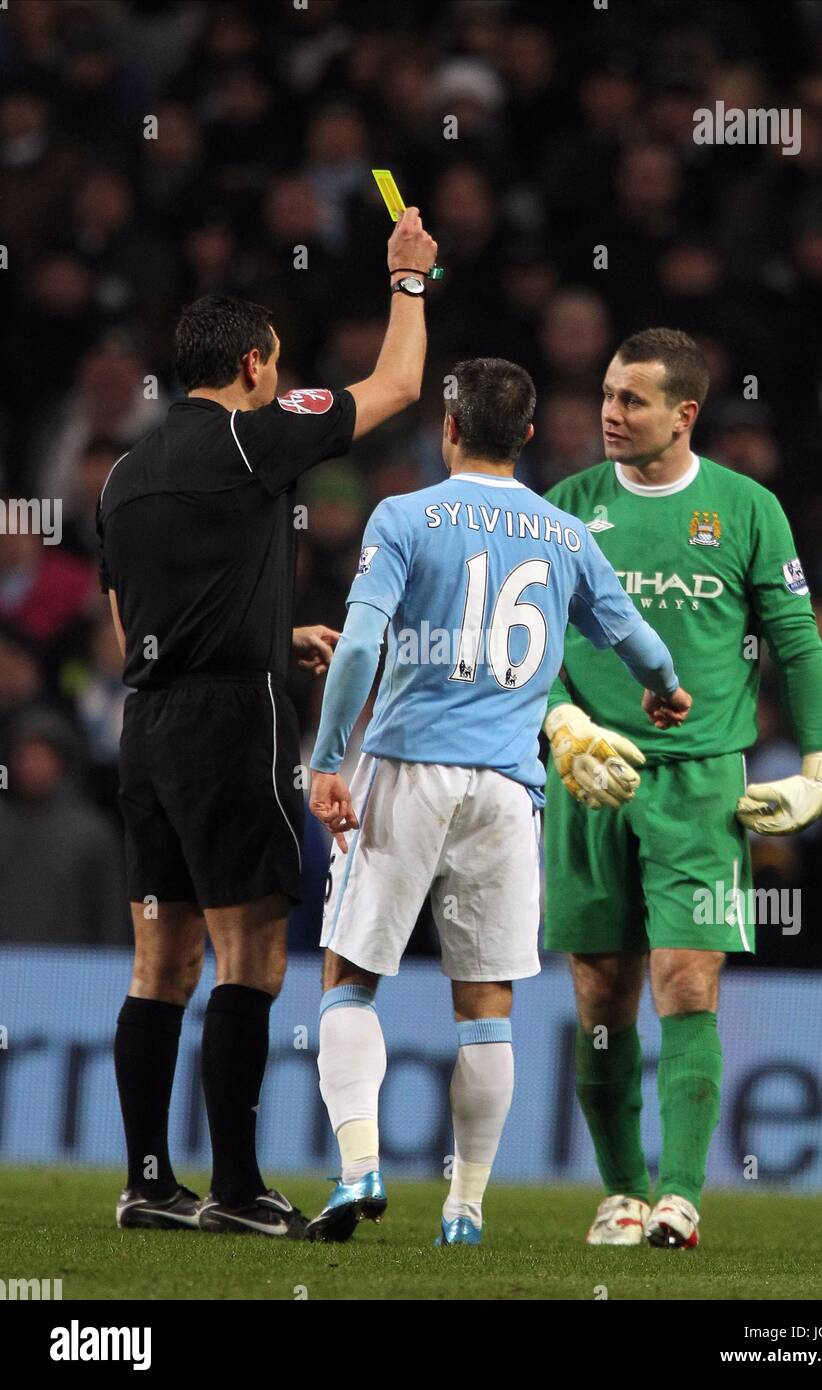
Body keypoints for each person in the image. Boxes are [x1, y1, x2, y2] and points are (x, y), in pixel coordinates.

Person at [97, 206, 439, 1238]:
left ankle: (148, 1181)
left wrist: (264, 631)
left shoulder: (122, 474)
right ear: (254, 366)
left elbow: (129, 628)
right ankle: (238, 1191)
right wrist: (408, 279)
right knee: (250, 958)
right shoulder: (256, 433)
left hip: (146, 724)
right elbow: (397, 386)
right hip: (230, 725)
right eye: (275, 361)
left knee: (159, 962)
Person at [306, 357, 691, 1246]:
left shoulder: (404, 515)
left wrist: (327, 760)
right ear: (526, 435)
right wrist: (665, 688)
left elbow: (358, 646)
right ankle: (465, 1207)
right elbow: (632, 634)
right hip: (509, 789)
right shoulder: (564, 532)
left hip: (407, 771)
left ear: (447, 427)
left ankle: (359, 1165)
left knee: (349, 977)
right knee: (485, 1004)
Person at [542, 328, 822, 1249]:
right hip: (589, 779)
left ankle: (678, 1196)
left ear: (684, 414)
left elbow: (796, 644)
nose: (609, 413)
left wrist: (819, 764)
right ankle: (621, 1193)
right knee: (600, 997)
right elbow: (523, 648)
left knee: (685, 978)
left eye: (630, 399)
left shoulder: (746, 509)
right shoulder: (564, 508)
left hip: (702, 783)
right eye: (605, 394)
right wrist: (560, 721)